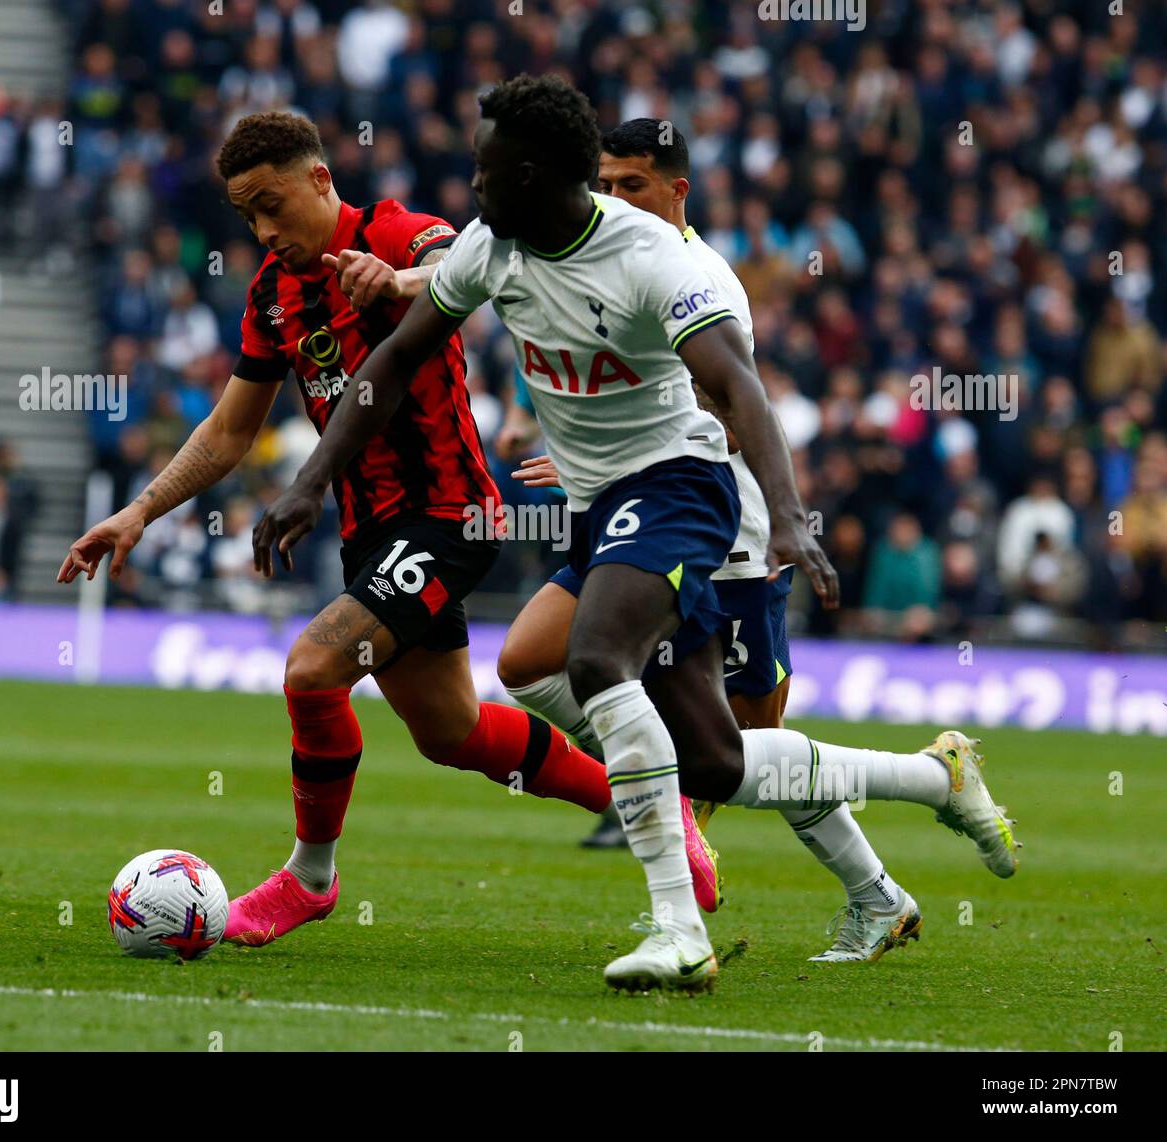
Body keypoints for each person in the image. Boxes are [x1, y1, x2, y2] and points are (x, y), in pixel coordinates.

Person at [251, 77, 1021, 992]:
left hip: (683, 487)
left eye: (485, 167)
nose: (473, 184)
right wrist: (309, 483)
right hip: (603, 506)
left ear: (531, 172)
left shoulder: (661, 260)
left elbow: (739, 388)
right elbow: (394, 357)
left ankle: (678, 930)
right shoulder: (495, 248)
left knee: (596, 659)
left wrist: (790, 518)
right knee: (711, 757)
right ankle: (940, 780)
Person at [59, 110, 719, 952]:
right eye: (246, 215)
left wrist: (404, 278)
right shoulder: (271, 295)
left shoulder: (393, 231)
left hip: (451, 517)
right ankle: (649, 810)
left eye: (273, 204)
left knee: (312, 669)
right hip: (372, 533)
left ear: (320, 180)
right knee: (456, 733)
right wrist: (140, 510)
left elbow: (457, 264)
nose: (264, 229)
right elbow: (229, 431)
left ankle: (309, 878)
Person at [495, 119, 925, 964]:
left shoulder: (697, 275)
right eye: (605, 184)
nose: (615, 200)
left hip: (725, 536)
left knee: (741, 755)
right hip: (626, 517)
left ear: (677, 190)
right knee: (531, 662)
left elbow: (729, 414)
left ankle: (889, 861)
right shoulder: (606, 259)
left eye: (633, 185)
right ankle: (659, 810)